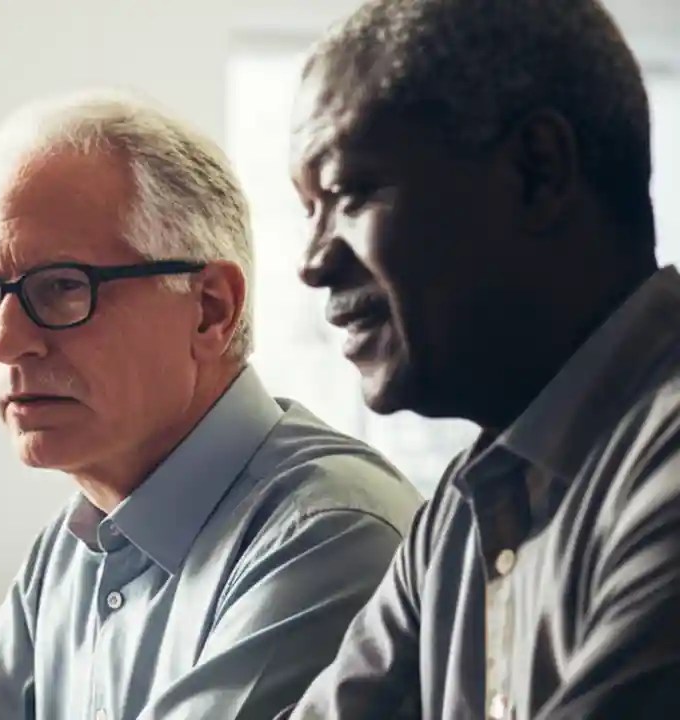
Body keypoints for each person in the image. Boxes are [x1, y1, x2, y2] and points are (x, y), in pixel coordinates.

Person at [0, 91, 422, 720]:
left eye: (62, 287)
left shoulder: (331, 531)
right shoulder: (72, 545)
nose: (7, 343)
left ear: (210, 307)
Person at [282, 1, 680, 718]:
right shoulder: (460, 516)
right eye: (307, 207)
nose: (312, 263)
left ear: (537, 171)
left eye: (349, 191)